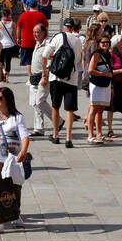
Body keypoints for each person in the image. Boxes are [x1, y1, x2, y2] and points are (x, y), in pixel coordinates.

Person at [0, 87, 31, 235]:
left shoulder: (17, 118)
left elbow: (24, 136)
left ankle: (14, 214)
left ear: (7, 100)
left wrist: (23, 152)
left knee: (13, 188)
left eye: (0, 98)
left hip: (12, 158)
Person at [46, 18, 84, 148]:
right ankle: (68, 138)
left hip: (56, 78)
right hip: (71, 78)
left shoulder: (57, 37)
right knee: (69, 109)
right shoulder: (78, 40)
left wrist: (53, 59)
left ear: (64, 27)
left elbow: (45, 54)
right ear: (73, 28)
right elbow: (78, 59)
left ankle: (56, 135)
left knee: (55, 107)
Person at [85, 36, 114, 143]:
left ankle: (99, 134)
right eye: (103, 42)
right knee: (94, 109)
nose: (105, 44)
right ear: (98, 43)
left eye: (107, 42)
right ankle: (90, 136)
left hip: (105, 84)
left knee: (101, 110)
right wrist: (103, 74)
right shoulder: (97, 54)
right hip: (97, 85)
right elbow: (90, 70)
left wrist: (111, 86)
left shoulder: (107, 55)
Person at [26, 22, 51, 138]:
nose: (35, 34)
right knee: (34, 104)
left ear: (44, 33)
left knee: (40, 101)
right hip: (34, 77)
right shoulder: (37, 43)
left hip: (43, 76)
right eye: (34, 32)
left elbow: (49, 62)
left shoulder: (48, 44)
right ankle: (39, 128)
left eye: (37, 32)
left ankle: (58, 121)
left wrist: (45, 76)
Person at [0, 8, 18, 82]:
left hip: (1, 45)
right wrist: (15, 42)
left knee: (1, 60)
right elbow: (15, 35)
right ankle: (7, 77)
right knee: (8, 61)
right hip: (10, 44)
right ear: (9, 14)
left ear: (2, 14)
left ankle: (3, 71)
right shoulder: (12, 23)